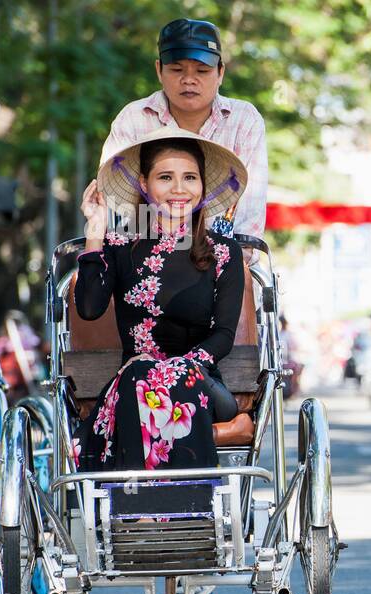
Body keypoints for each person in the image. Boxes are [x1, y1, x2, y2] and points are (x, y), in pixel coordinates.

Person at [73, 129, 245, 471]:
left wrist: (176, 370)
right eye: (165, 177)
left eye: (190, 178)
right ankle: (141, 511)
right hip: (132, 382)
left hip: (203, 384)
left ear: (201, 187)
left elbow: (224, 335)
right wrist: (95, 231)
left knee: (162, 376)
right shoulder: (122, 248)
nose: (179, 189)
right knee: (140, 372)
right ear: (144, 184)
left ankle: (172, 505)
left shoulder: (224, 252)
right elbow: (89, 309)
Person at [94, 18, 267, 243]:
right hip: (141, 254)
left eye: (202, 71)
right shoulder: (133, 119)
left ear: (220, 72)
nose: (188, 80)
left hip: (225, 255)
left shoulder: (244, 120)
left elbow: (250, 214)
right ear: (159, 70)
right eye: (176, 69)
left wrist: (231, 262)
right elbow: (113, 201)